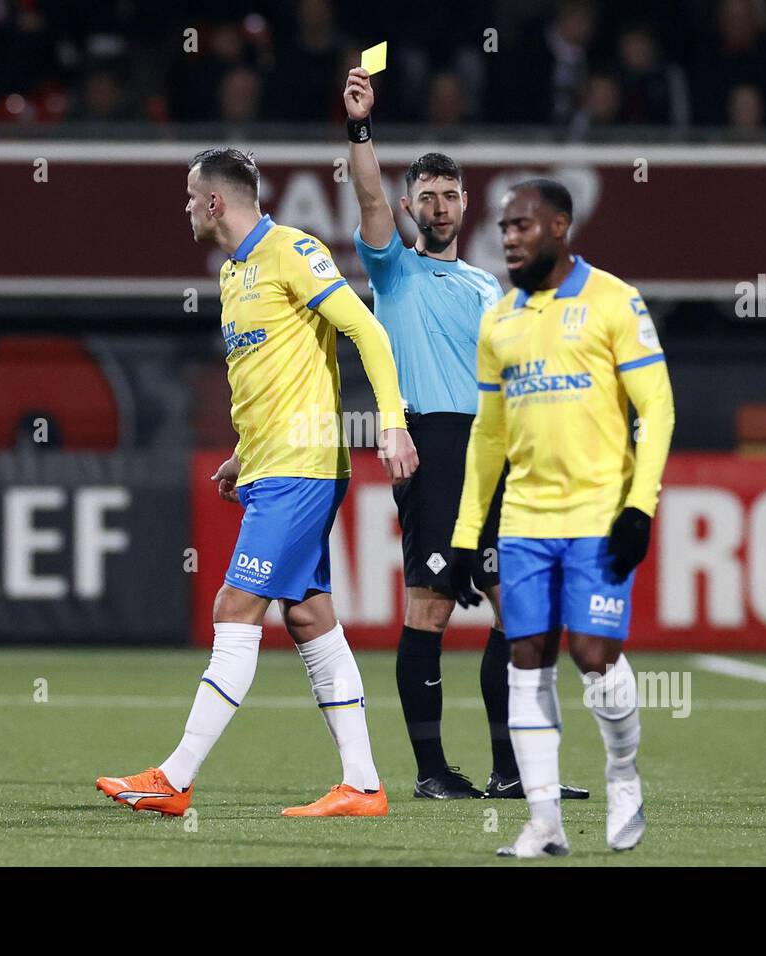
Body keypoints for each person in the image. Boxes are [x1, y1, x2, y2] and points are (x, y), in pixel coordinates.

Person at [96, 147, 418, 817]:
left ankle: (176, 777)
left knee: (233, 609)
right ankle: (361, 784)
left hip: (303, 468)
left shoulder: (292, 251)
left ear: (216, 202)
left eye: (191, 196)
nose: (186, 207)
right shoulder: (232, 274)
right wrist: (245, 451)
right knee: (308, 618)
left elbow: (367, 331)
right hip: (271, 466)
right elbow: (268, 375)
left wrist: (392, 423)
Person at [343, 67, 589, 802]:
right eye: (428, 197)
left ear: (466, 203)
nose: (440, 206)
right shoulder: (394, 272)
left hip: (496, 449)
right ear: (413, 206)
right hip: (434, 443)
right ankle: (429, 771)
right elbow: (366, 195)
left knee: (519, 612)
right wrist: (361, 128)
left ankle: (510, 769)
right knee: (431, 605)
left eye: (451, 195)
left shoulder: (490, 287)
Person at [449, 179, 675, 858]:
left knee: (592, 656)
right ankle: (544, 822)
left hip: (600, 513)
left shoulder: (613, 300)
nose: (508, 237)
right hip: (525, 518)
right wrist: (467, 534)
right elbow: (488, 436)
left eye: (521, 226)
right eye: (503, 227)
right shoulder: (499, 320)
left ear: (560, 226)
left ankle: (623, 775)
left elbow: (656, 407)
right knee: (527, 654)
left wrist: (641, 506)